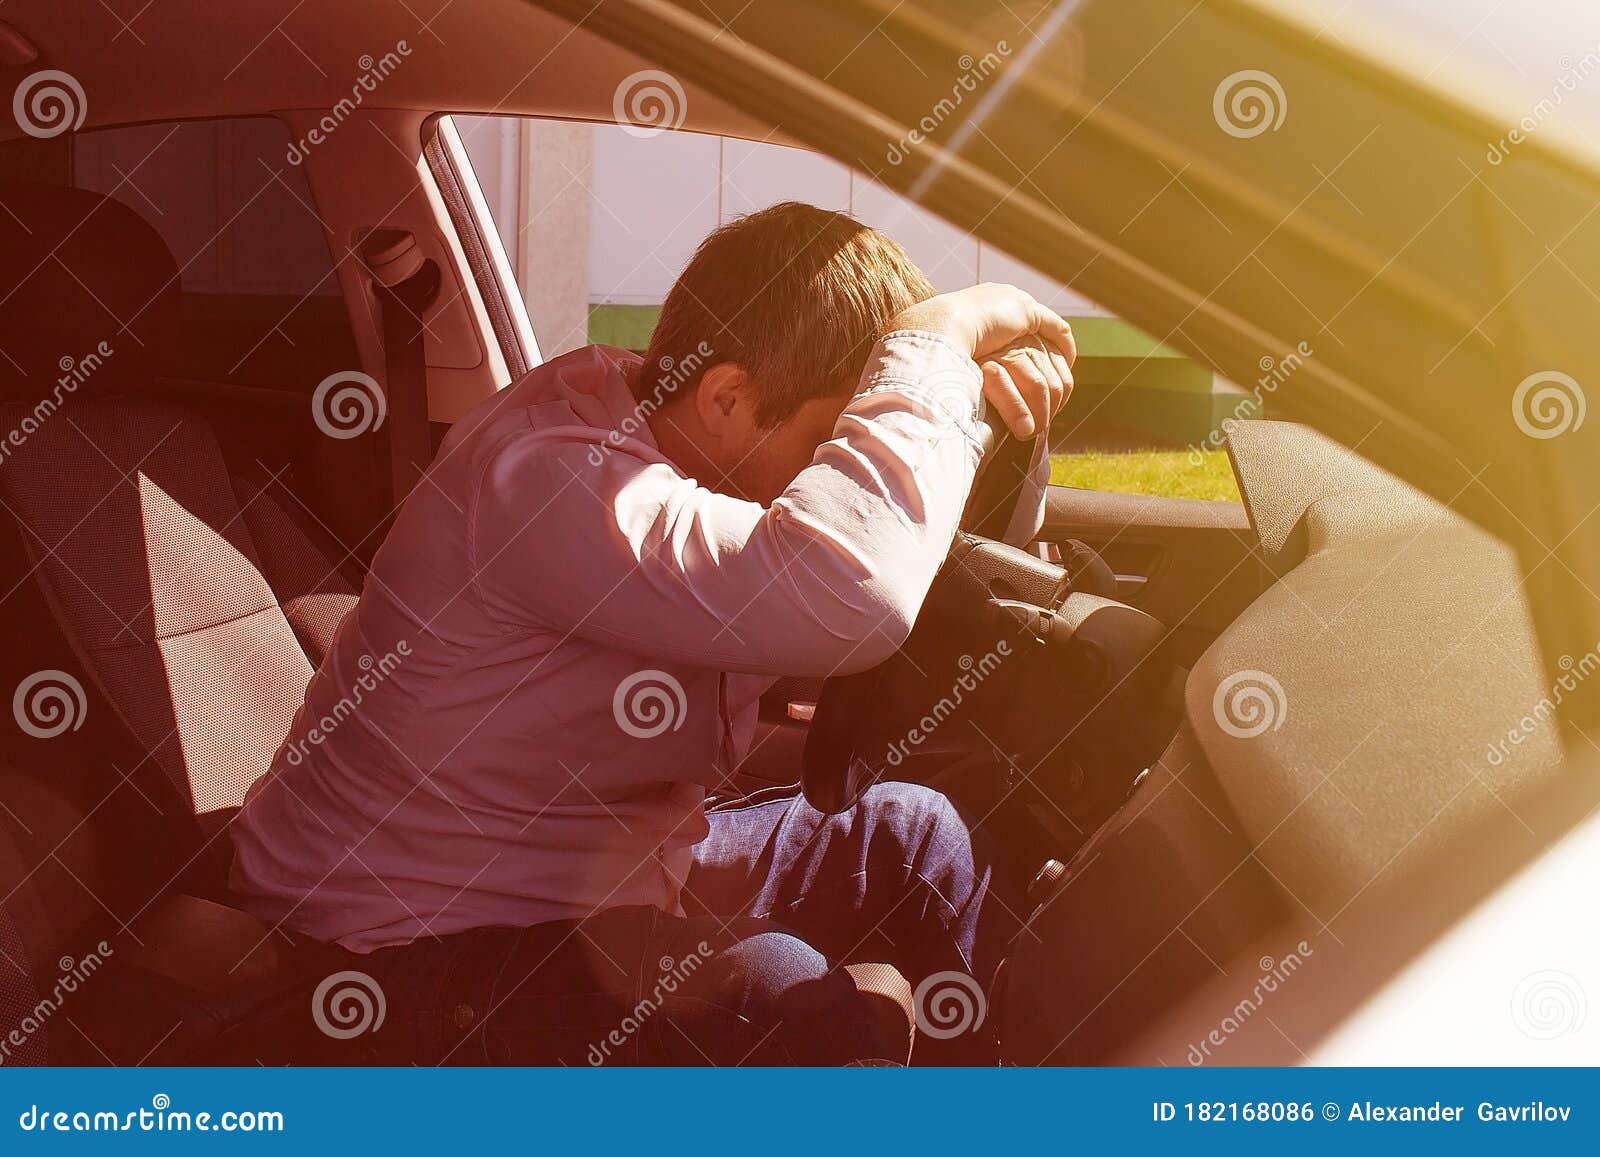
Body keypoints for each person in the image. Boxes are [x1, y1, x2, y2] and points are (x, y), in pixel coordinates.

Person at [229, 201, 1074, 1064]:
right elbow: (856, 587)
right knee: (779, 995)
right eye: (832, 441)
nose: (839, 475)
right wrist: (932, 346)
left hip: (602, 872)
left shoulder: (661, 434)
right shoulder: (560, 480)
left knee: (918, 836)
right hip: (389, 945)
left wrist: (982, 429)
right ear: (727, 398)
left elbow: (893, 557)